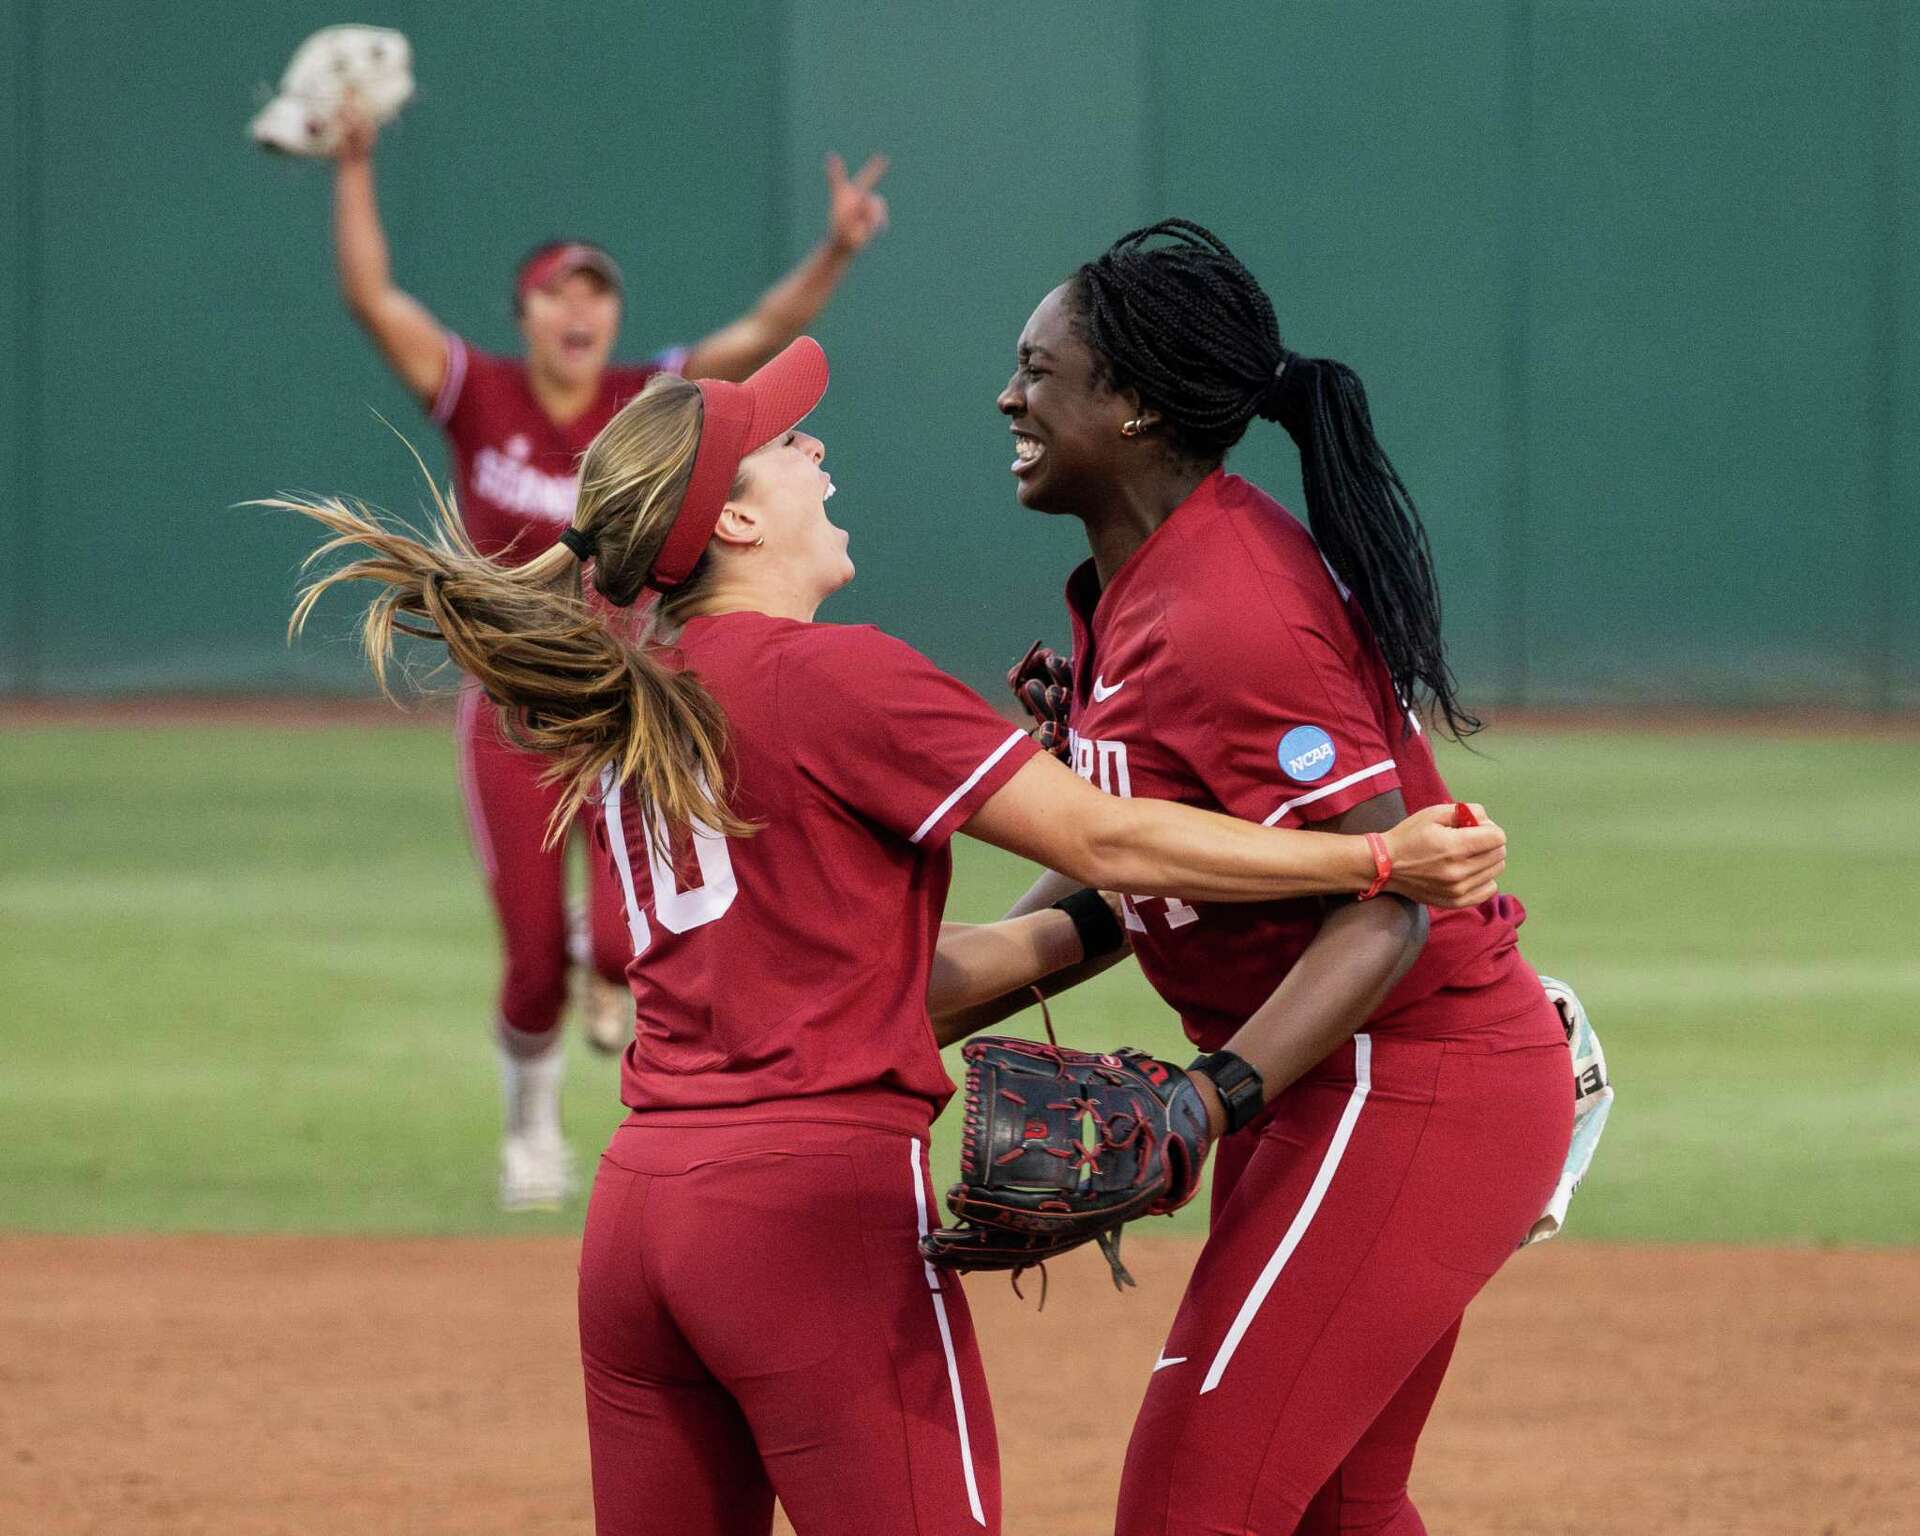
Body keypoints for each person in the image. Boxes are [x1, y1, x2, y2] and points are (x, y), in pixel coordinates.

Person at [270, 335, 1510, 1534]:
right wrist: (1374, 857)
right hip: (813, 1223)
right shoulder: (837, 678)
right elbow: (1109, 843)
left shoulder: (639, 700)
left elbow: (885, 979)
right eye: (787, 446)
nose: (817, 452)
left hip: (644, 1213)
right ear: (739, 524)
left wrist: (1109, 857)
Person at [984, 221, 1577, 1535]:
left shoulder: (1230, 604)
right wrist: (935, 985)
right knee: (1336, 1507)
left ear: (1132, 404)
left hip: (1413, 1075)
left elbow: (1392, 900)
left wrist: (1214, 1092)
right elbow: (1156, 873)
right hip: (1336, 1080)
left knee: (1193, 1504)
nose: (1010, 396)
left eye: (1040, 369)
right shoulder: (1138, 587)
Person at [321, 112, 891, 1208]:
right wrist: (352, 165)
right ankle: (529, 1124)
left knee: (637, 949)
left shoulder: (650, 404)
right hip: (514, 709)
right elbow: (374, 300)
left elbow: (766, 331)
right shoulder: (479, 392)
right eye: (557, 292)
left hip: (629, 705)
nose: (579, 310)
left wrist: (837, 249)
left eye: (596, 292)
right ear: (524, 313)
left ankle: (604, 953)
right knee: (534, 963)